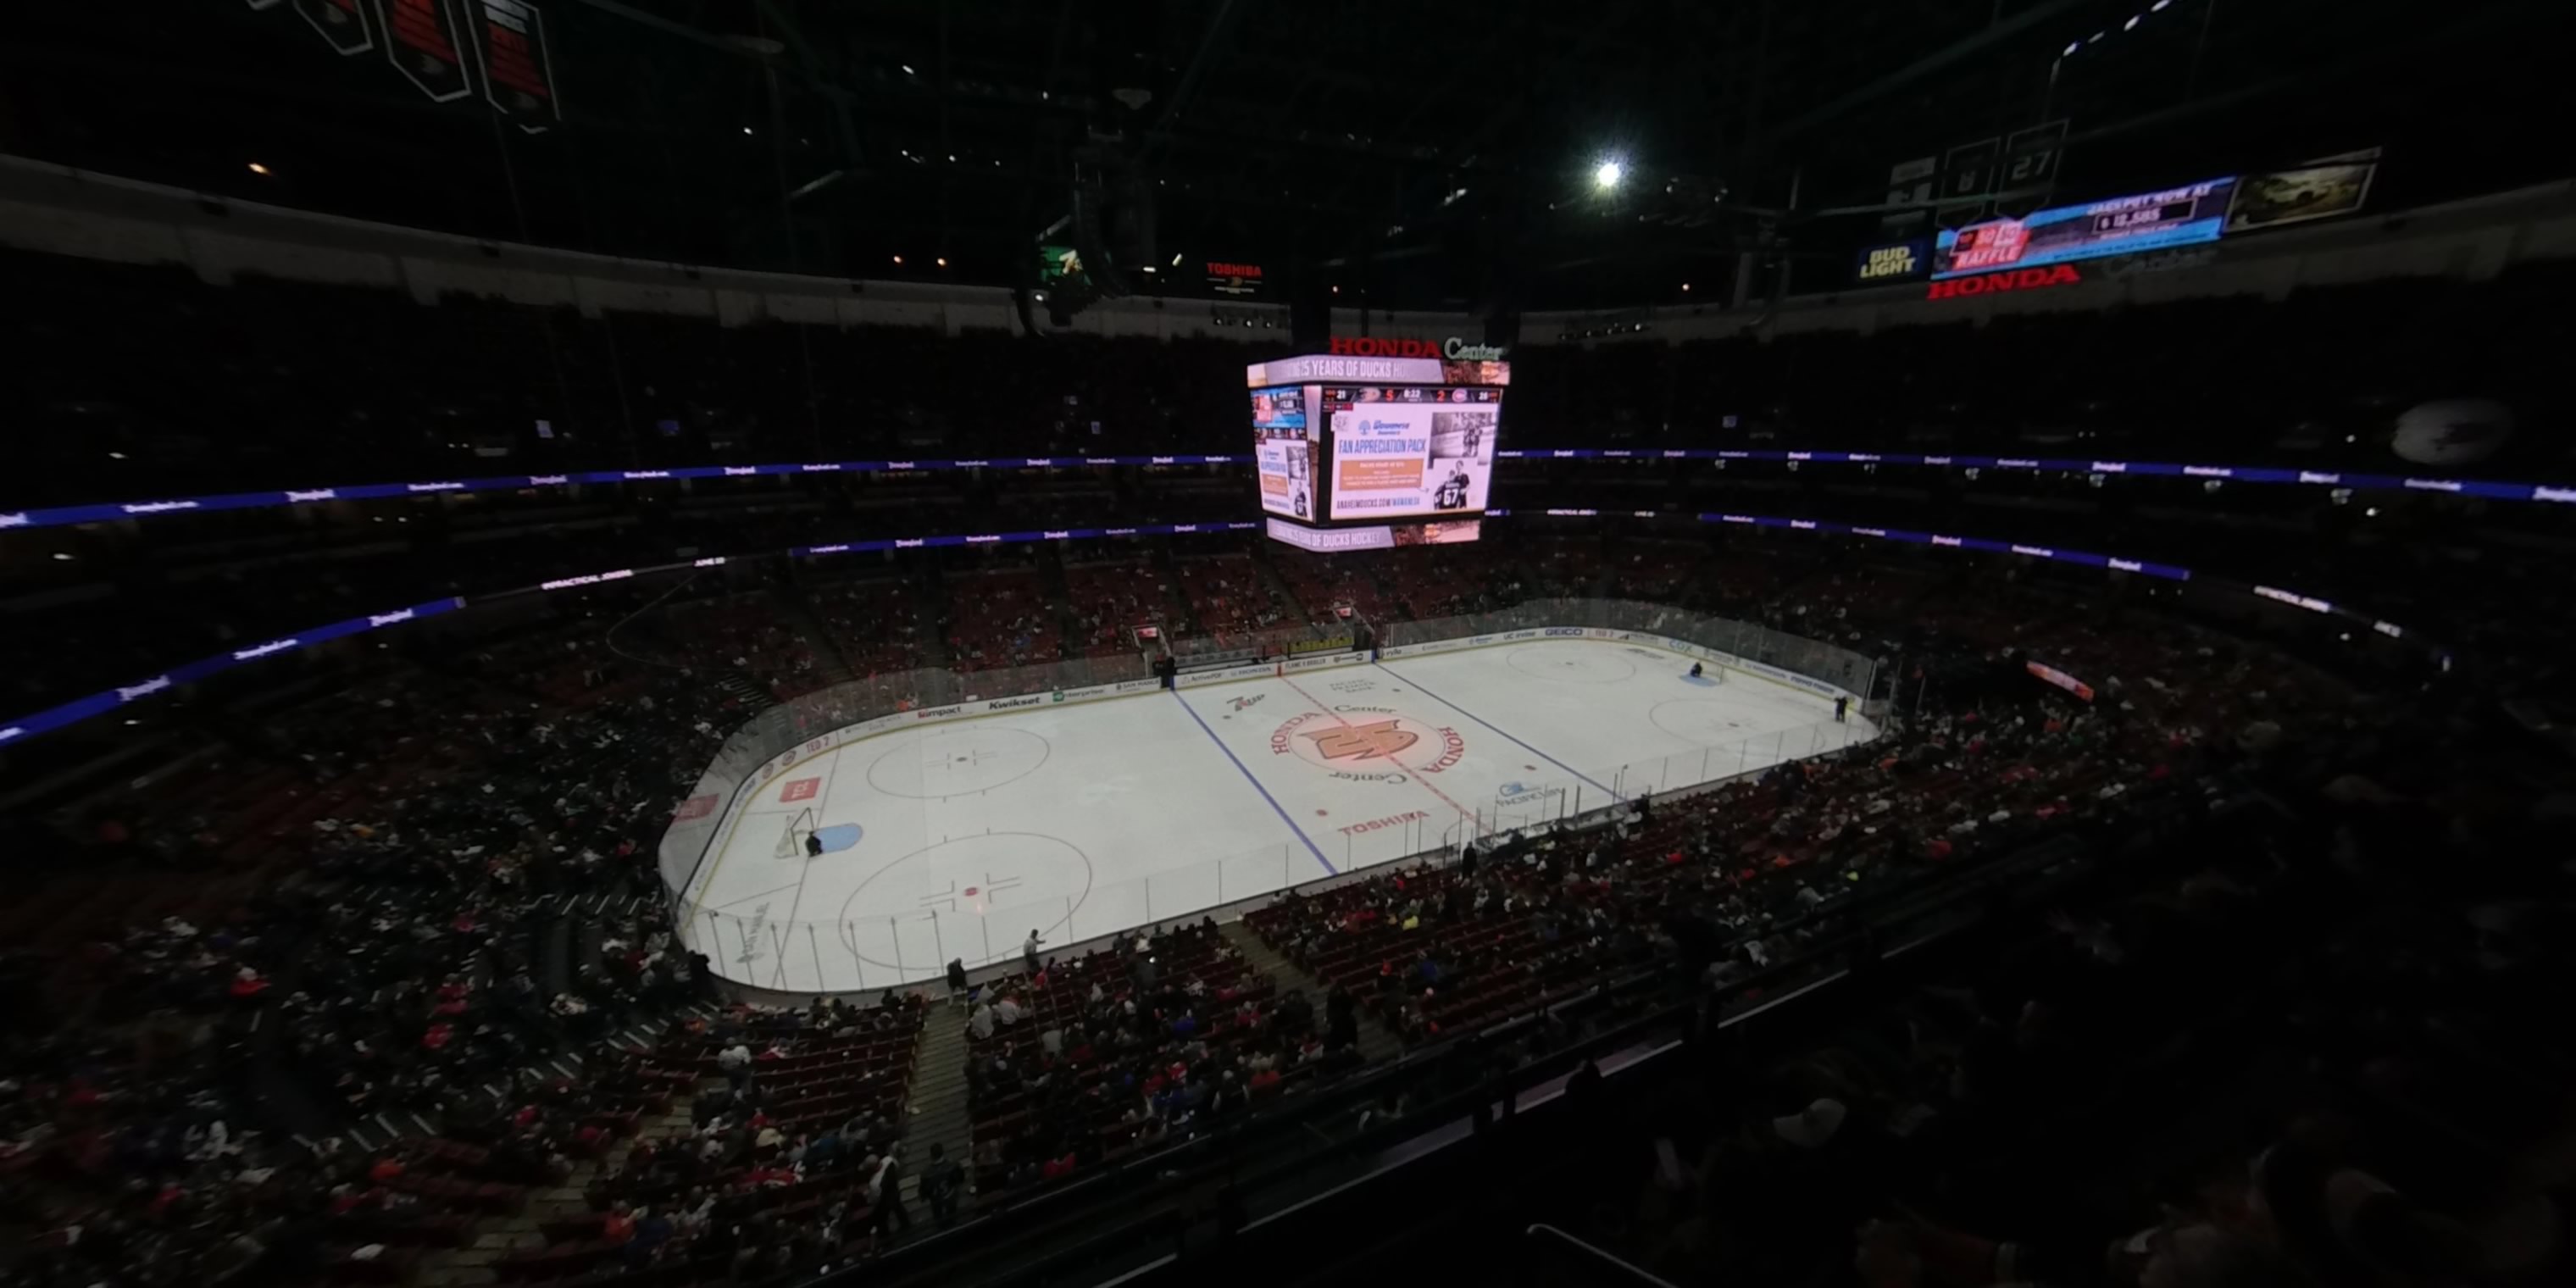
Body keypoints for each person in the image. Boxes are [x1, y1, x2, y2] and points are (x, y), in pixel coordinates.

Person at [920, 1142, 964, 1229]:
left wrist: (923, 1196)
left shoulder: (926, 1173)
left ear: (931, 1155)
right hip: (950, 1196)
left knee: (938, 1219)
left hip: (936, 1200)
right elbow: (961, 1179)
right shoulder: (953, 1165)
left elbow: (924, 1191)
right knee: (952, 1218)